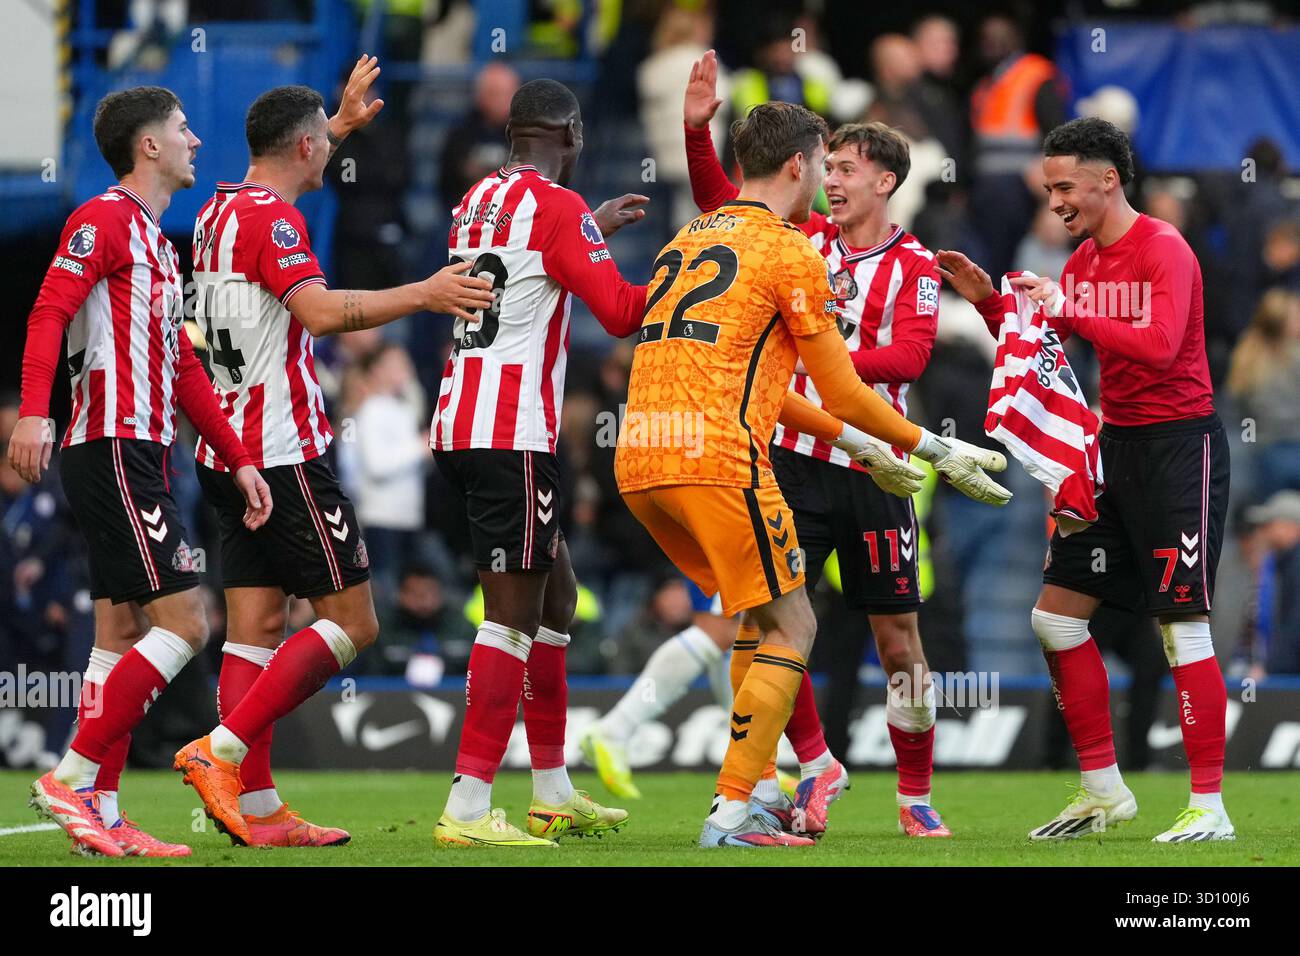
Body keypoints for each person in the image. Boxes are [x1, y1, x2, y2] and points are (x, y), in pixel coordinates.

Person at [615, 96, 1012, 849]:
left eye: (849, 169)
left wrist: (814, 368)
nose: (832, 180)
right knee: (778, 621)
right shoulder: (800, 243)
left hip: (844, 466)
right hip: (778, 459)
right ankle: (764, 791)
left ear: (889, 181)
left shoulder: (910, 264)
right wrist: (934, 446)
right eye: (825, 166)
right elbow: (731, 196)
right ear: (800, 166)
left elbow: (909, 358)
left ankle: (909, 794)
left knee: (894, 642)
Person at [174, 58, 498, 848]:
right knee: (353, 621)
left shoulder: (220, 209)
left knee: (253, 628)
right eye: (324, 139)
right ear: (307, 150)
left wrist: (338, 125)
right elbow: (318, 314)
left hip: (228, 453)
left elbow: (288, 167)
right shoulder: (274, 223)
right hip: (283, 452)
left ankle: (256, 810)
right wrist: (425, 292)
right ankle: (217, 752)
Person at [938, 116, 1234, 842]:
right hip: (1110, 454)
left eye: (1065, 186)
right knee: (1056, 617)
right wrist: (988, 303)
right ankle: (1104, 791)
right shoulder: (1080, 266)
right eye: (1049, 188)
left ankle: (1211, 808)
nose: (1056, 201)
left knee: (1181, 626)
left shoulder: (1165, 249)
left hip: (1177, 451)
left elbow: (1162, 347)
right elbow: (1045, 343)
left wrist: (1068, 309)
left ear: (1108, 180)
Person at [15, 86, 272, 858]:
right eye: (184, 128)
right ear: (149, 146)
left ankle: (103, 812)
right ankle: (72, 775)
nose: (197, 139)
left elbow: (183, 364)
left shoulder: (161, 244)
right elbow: (48, 310)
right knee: (187, 624)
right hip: (113, 445)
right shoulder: (101, 220)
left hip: (144, 449)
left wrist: (237, 457)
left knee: (119, 634)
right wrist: (35, 410)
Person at [429, 77, 653, 849]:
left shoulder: (475, 199)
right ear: (571, 132)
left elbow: (517, 265)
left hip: (461, 418)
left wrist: (590, 226)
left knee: (558, 601)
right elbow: (623, 312)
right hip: (511, 432)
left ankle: (552, 791)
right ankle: (466, 806)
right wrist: (698, 277)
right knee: (513, 621)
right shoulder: (555, 210)